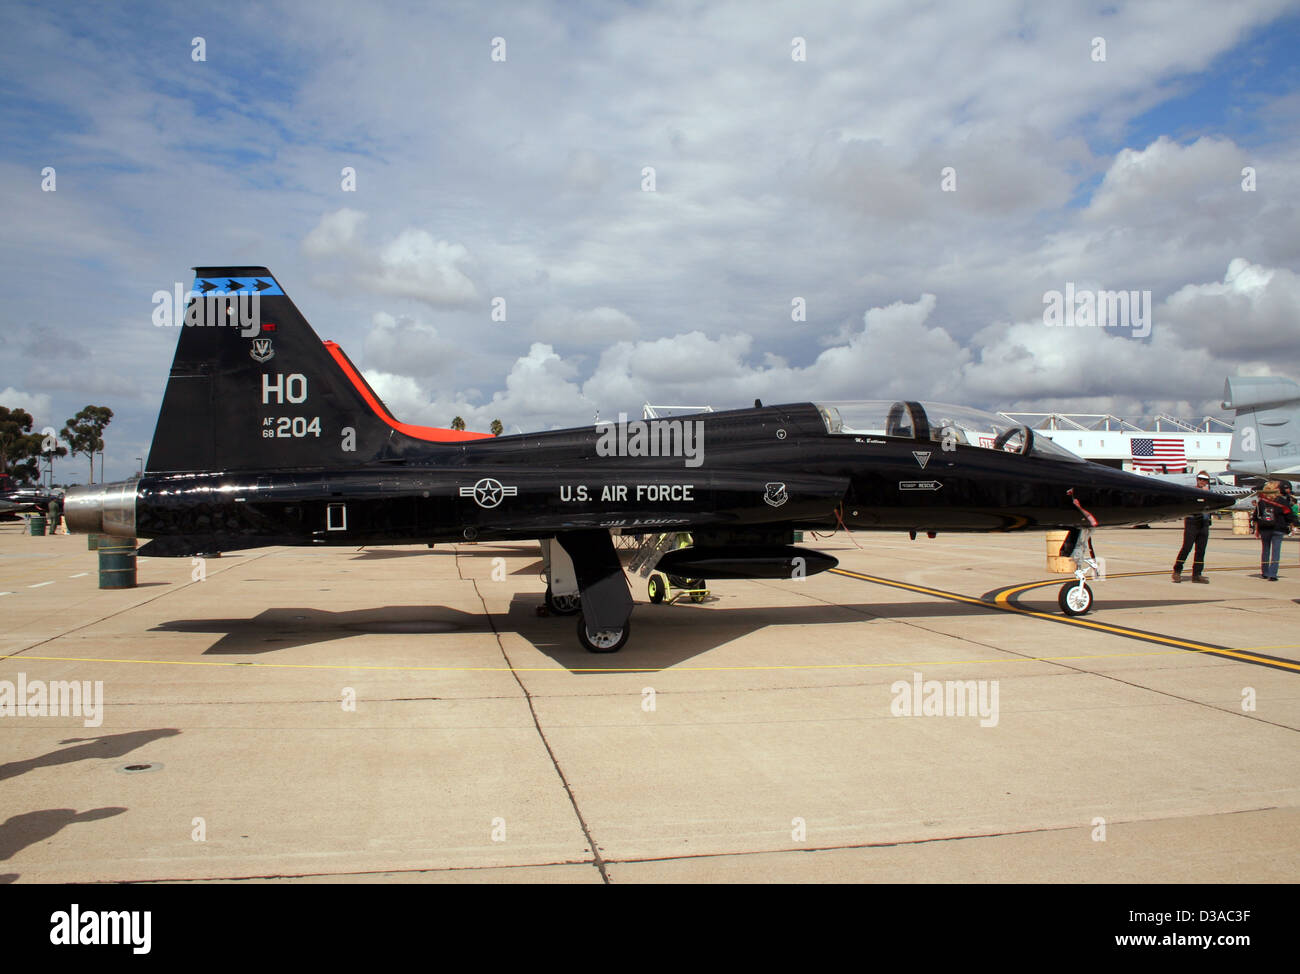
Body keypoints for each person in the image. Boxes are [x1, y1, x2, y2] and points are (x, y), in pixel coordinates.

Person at [1172, 472, 1214, 583]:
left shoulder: (1210, 493)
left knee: (1201, 550)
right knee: (1187, 547)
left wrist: (1207, 494)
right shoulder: (1192, 492)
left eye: (1205, 480)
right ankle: (1177, 570)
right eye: (1201, 479)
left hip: (1204, 523)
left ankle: (1197, 574)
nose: (1202, 482)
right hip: (1192, 522)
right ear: (1197, 479)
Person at [1253, 481, 1299, 581]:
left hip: (1264, 528)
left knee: (1265, 550)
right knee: (1276, 551)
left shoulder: (1261, 501)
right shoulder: (1282, 501)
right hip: (1278, 528)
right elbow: (1289, 515)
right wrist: (1294, 523)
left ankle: (1265, 572)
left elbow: (1256, 516)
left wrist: (1257, 528)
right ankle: (1273, 574)